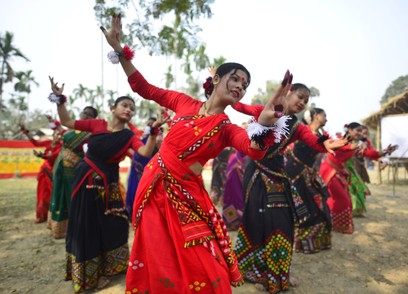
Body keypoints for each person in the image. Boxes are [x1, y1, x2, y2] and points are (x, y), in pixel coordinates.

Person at [101, 13, 294, 293]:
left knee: (207, 266)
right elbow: (143, 88)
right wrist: (120, 50)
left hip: (189, 199)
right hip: (156, 191)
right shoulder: (182, 102)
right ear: (216, 79)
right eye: (236, 79)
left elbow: (254, 151)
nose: (240, 86)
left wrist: (264, 123)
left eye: (245, 85)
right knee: (159, 257)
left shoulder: (227, 128)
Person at [49, 76, 162, 293]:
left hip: (109, 185)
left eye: (132, 107)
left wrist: (154, 132)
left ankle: (112, 265)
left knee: (116, 224)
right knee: (88, 225)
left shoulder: (129, 135)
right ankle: (90, 275)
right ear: (113, 108)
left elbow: (145, 152)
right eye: (125, 105)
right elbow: (67, 122)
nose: (129, 109)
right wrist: (60, 100)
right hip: (87, 181)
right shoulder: (97, 124)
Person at [232, 86, 347, 293]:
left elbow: (315, 142)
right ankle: (258, 272)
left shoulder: (297, 127)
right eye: (300, 97)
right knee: (257, 220)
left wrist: (329, 144)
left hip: (277, 174)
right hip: (257, 172)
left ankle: (280, 270)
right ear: (288, 94)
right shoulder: (266, 109)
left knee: (283, 222)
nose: (302, 102)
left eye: (306, 100)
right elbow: (240, 106)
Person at [284, 107, 332, 254]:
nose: (327, 119)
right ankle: (301, 242)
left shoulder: (323, 136)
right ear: (316, 116)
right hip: (295, 174)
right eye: (324, 115)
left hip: (309, 175)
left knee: (320, 205)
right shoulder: (301, 130)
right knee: (303, 207)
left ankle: (314, 241)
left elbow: (332, 148)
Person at [47, 106, 98, 239]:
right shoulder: (71, 130)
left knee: (73, 198)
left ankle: (77, 227)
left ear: (93, 119)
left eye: (89, 115)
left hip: (75, 171)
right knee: (59, 195)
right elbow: (61, 131)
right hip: (61, 167)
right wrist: (53, 121)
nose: (85, 116)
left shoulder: (91, 134)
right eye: (84, 112)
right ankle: (59, 228)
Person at [20, 121, 62, 224]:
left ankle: (53, 216)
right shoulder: (48, 142)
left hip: (54, 174)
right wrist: (26, 132)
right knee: (42, 195)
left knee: (53, 195)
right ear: (53, 135)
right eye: (56, 133)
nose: (58, 135)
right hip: (44, 172)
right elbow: (35, 143)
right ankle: (41, 215)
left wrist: (42, 156)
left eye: (60, 134)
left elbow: (53, 156)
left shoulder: (61, 146)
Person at [125, 116, 162, 219]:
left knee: (146, 191)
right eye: (148, 124)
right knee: (133, 189)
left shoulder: (158, 138)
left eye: (152, 125)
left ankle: (144, 214)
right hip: (135, 167)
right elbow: (132, 128)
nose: (150, 126)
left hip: (149, 169)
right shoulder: (139, 134)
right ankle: (132, 212)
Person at [222, 122, 249, 231]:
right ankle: (232, 223)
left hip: (243, 179)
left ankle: (241, 222)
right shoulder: (235, 160)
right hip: (234, 179)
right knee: (234, 197)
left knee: (242, 198)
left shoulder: (251, 157)